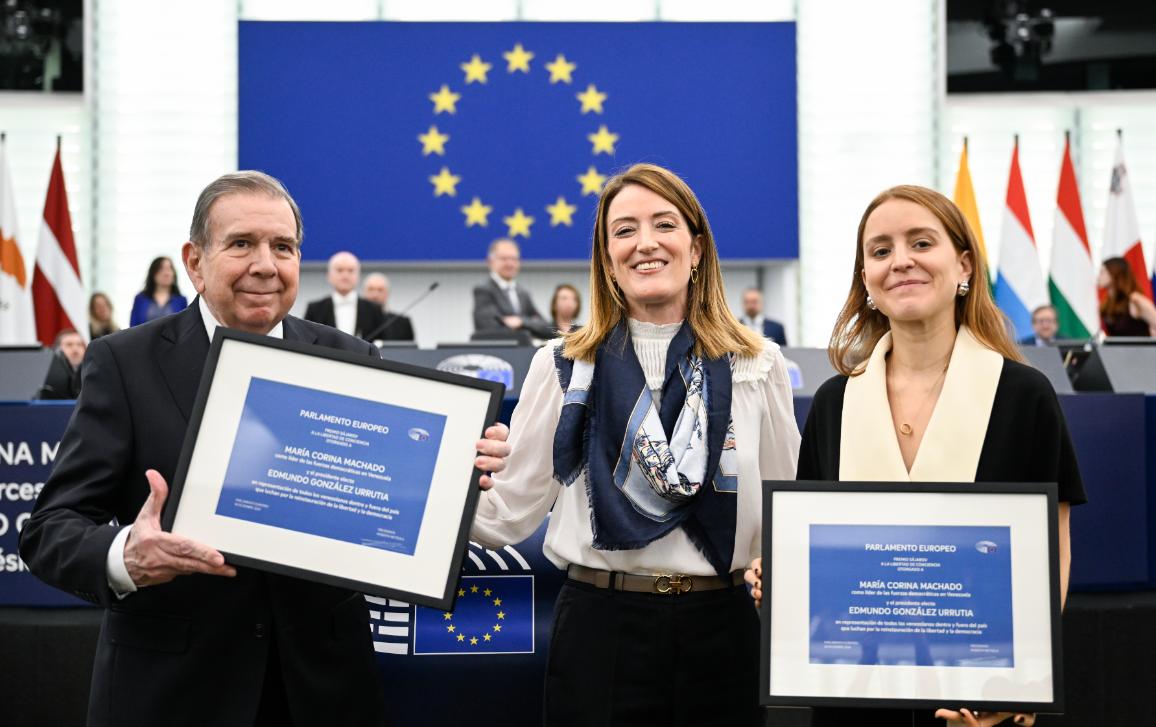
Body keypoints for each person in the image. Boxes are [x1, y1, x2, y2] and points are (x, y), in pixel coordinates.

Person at [20, 171, 512, 727]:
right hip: (173, 694)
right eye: (241, 244)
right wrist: (126, 556)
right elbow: (49, 529)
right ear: (195, 261)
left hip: (319, 693)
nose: (265, 265)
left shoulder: (353, 357)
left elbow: (388, 502)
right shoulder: (123, 363)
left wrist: (456, 470)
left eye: (284, 247)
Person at [471, 163, 800, 725]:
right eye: (624, 230)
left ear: (696, 249)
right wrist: (432, 477)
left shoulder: (758, 363)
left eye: (664, 225)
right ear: (606, 256)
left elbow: (785, 510)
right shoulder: (563, 365)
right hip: (601, 630)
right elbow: (506, 513)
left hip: (723, 632)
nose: (645, 243)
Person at [747, 185, 1086, 727]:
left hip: (974, 701)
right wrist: (785, 578)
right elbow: (819, 552)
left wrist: (1017, 688)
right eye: (880, 251)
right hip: (852, 699)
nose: (900, 261)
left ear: (964, 265)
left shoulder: (1024, 395)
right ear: (866, 281)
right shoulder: (835, 401)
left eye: (921, 242)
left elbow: (1052, 557)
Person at [472, 238, 554, 339]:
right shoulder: (483, 290)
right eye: (504, 259)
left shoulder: (522, 293)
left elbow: (546, 328)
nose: (510, 264)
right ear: (490, 262)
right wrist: (530, 324)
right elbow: (489, 327)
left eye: (514, 259)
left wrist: (521, 322)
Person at [303, 251, 387, 342]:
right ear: (329, 276)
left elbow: (382, 344)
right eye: (339, 270)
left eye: (350, 270)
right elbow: (307, 340)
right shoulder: (315, 309)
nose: (345, 276)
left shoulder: (374, 309)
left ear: (358, 276)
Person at [1099, 256, 1156, 337]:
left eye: (1103, 272)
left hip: (1140, 349)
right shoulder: (1107, 304)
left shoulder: (1135, 300)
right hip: (1116, 349)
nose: (1099, 277)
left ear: (1115, 273)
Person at [129, 256, 188, 326]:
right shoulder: (140, 299)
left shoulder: (181, 300)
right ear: (153, 273)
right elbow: (133, 328)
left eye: (170, 269)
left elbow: (184, 327)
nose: (166, 273)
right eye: (161, 269)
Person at [361, 272, 415, 341]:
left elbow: (409, 350)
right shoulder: (355, 319)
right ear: (364, 292)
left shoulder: (402, 323)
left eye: (380, 290)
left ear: (387, 293)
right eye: (371, 289)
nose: (375, 295)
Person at [39, 328, 85, 399]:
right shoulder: (47, 374)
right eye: (69, 345)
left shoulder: (93, 373)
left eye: (79, 345)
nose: (75, 349)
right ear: (57, 349)